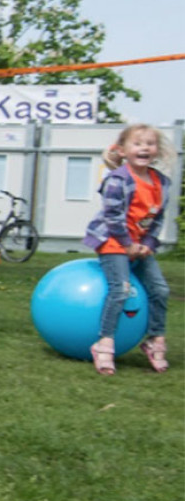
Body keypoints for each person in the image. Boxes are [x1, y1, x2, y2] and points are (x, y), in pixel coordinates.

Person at [83, 125, 172, 376]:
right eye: (137, 143)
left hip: (139, 245)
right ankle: (104, 343)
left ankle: (155, 340)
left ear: (156, 151)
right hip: (112, 241)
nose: (144, 148)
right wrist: (127, 245)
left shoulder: (161, 182)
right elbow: (113, 216)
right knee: (120, 289)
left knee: (160, 290)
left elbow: (157, 219)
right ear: (122, 151)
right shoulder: (118, 179)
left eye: (150, 144)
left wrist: (149, 245)